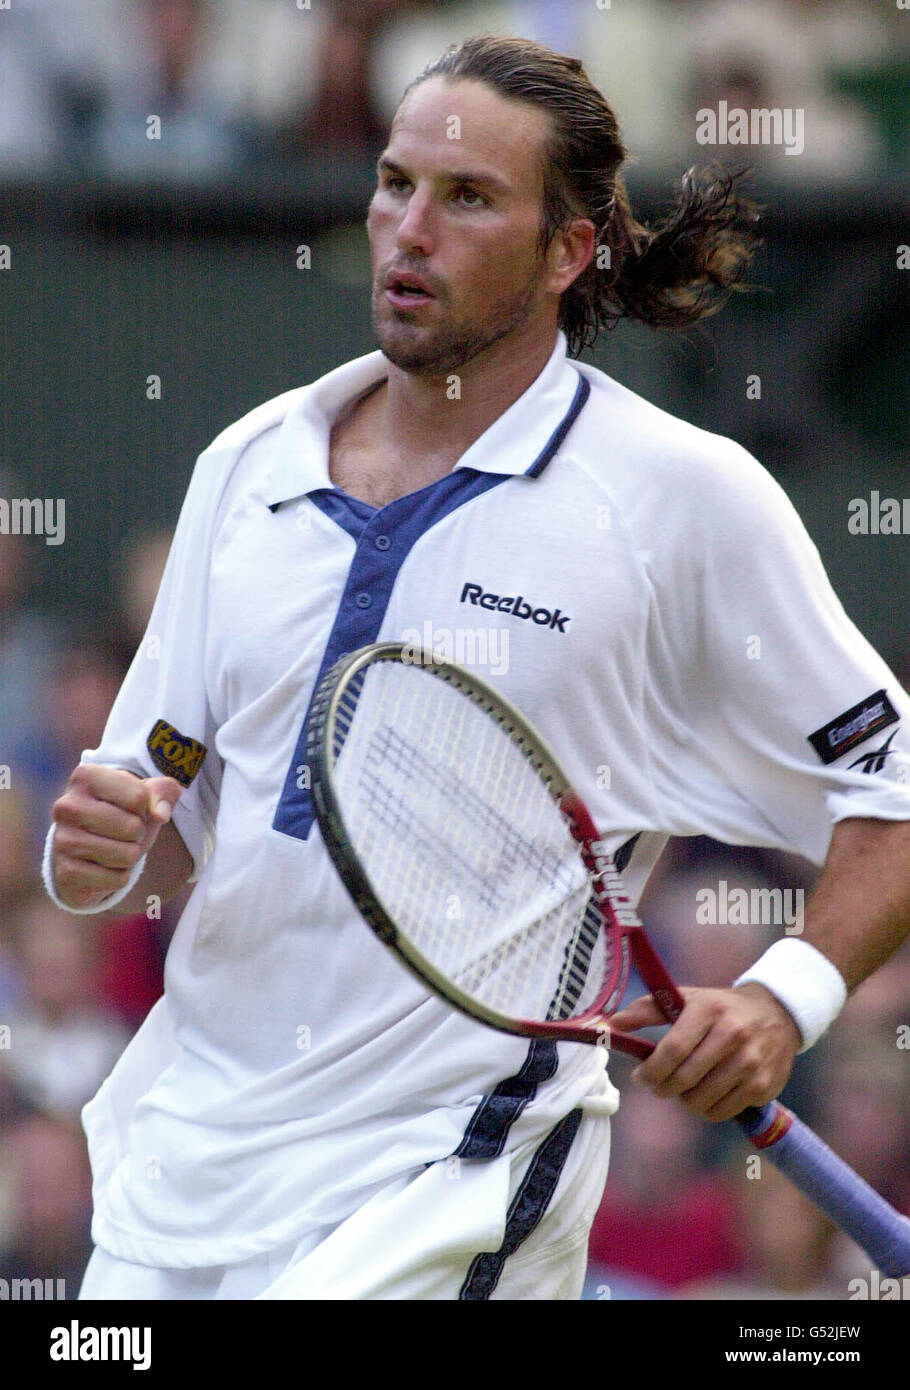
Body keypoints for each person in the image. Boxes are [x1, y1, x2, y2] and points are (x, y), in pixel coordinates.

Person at [44, 35, 910, 1300]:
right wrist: (99, 856)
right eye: (395, 183)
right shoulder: (241, 464)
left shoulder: (682, 500)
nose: (407, 228)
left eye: (466, 197)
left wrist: (783, 999)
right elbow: (166, 825)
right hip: (184, 1168)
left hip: (455, 1174)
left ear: (567, 251)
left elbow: (889, 792)